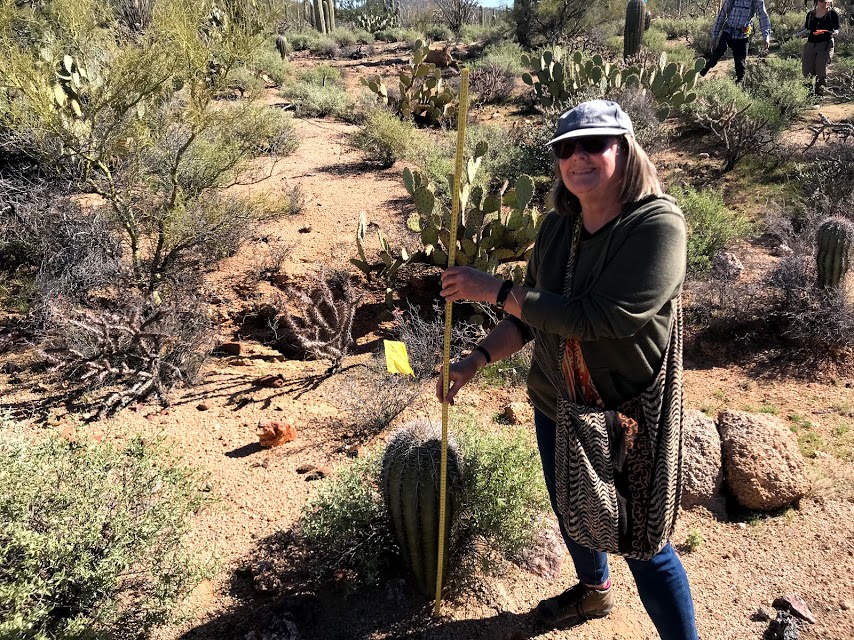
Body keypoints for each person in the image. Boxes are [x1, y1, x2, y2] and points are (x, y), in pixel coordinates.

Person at [435, 100, 697, 640]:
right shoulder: (558, 227)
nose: (579, 156)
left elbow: (600, 318)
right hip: (557, 404)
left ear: (625, 150)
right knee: (571, 511)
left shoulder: (656, 225)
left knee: (644, 543)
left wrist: (495, 289)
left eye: (594, 144)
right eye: (565, 148)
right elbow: (532, 318)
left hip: (625, 415)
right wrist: (476, 359)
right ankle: (594, 591)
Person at [700, 0, 772, 84]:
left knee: (740, 65)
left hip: (742, 35)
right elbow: (722, 15)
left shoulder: (756, 1)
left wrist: (766, 37)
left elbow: (763, 17)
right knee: (719, 51)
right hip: (729, 31)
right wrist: (714, 35)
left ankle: (739, 85)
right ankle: (706, 67)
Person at [799, 0, 840, 95]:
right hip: (810, 45)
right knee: (807, 71)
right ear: (817, 1)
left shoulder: (832, 14)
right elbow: (808, 29)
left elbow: (837, 28)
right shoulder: (810, 15)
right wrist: (802, 34)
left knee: (821, 70)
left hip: (825, 45)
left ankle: (819, 96)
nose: (824, 4)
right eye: (822, 1)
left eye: (826, 1)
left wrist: (835, 32)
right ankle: (808, 96)